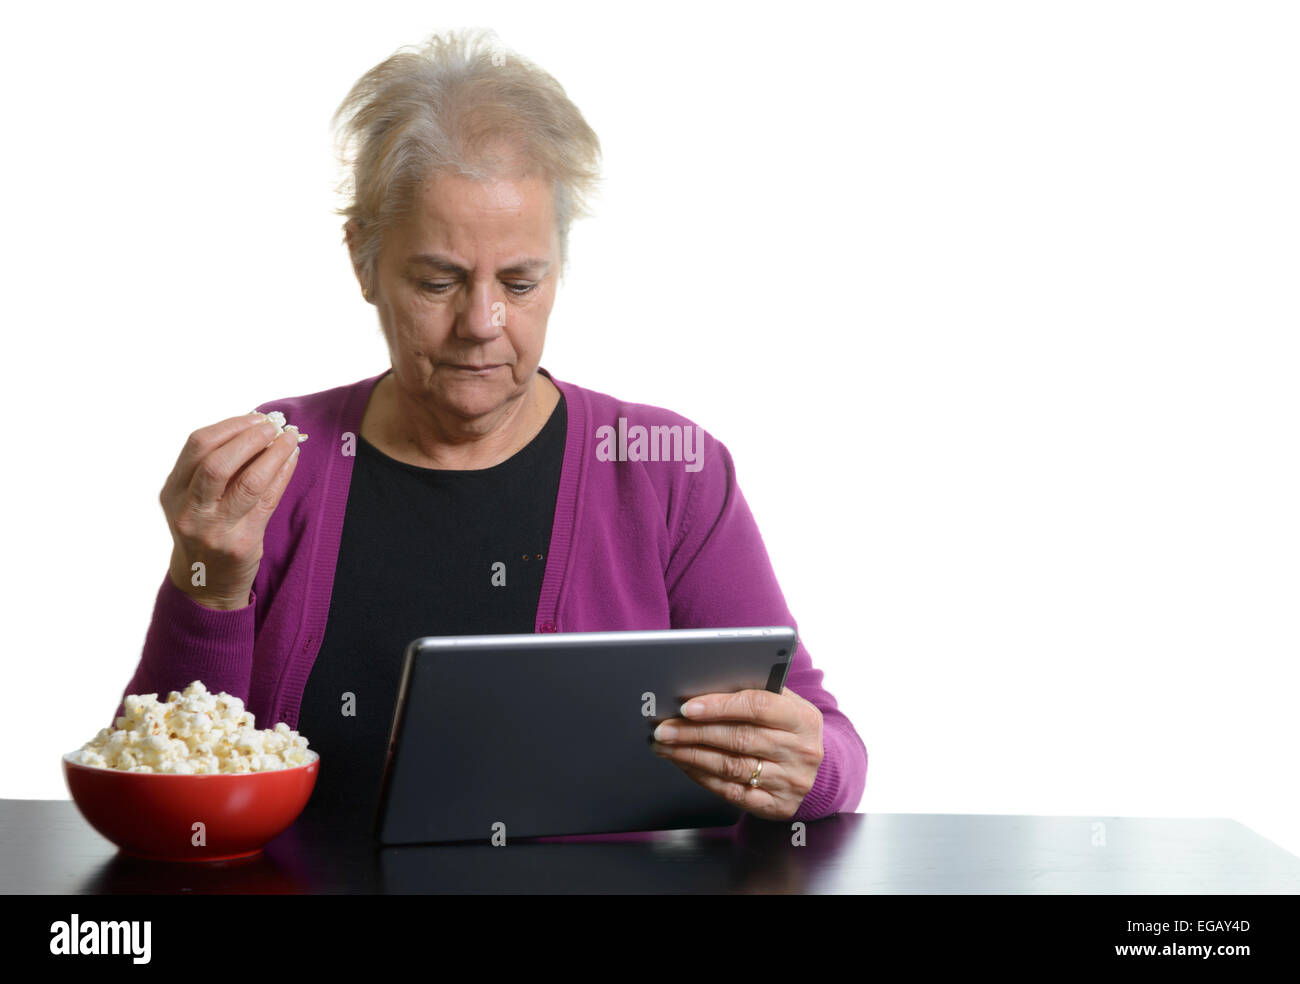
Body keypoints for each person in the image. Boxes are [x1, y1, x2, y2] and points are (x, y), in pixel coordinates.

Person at [118, 28, 866, 828]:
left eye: (521, 279)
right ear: (363, 262)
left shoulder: (668, 469)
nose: (483, 321)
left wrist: (807, 768)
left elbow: (832, 748)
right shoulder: (272, 469)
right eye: (438, 280)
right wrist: (210, 584)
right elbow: (160, 784)